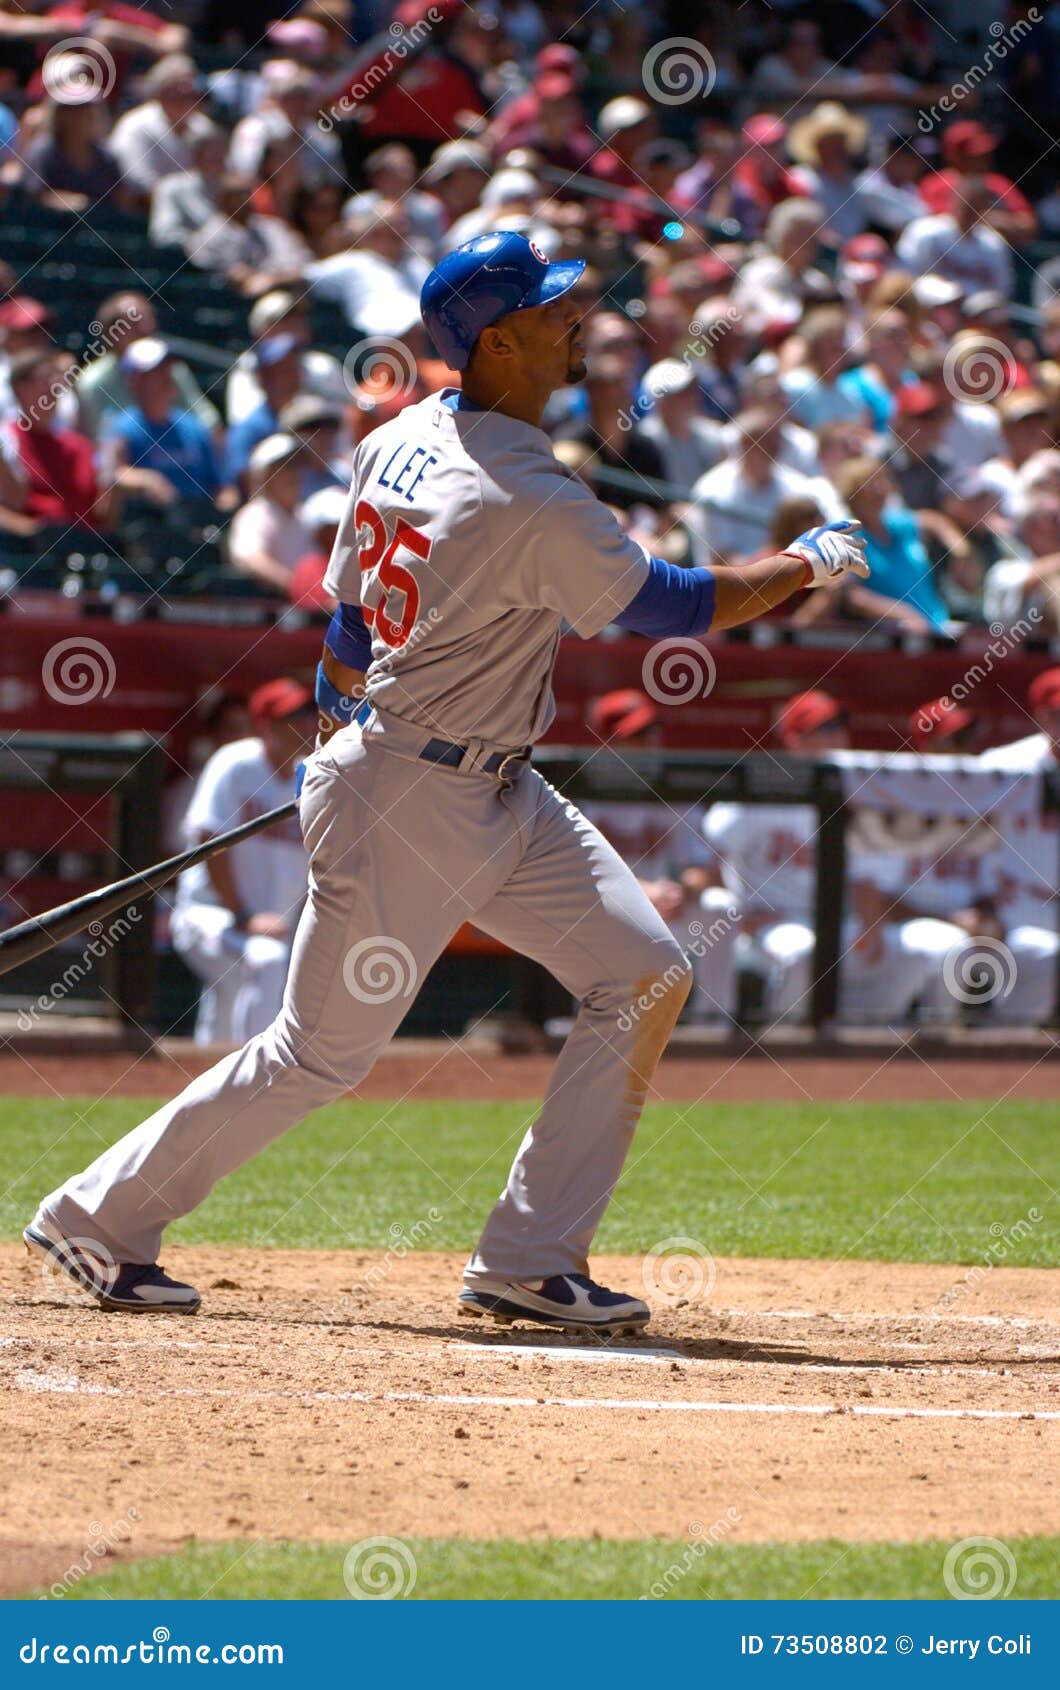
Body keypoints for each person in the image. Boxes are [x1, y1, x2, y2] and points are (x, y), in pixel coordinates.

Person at [27, 231, 870, 1325]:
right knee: (317, 1054)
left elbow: (345, 615)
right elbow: (674, 606)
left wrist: (339, 697)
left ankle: (528, 1256)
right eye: (555, 312)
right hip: (413, 794)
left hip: (484, 783)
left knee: (646, 973)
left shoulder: (402, 436)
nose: (581, 324)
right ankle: (98, 1216)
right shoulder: (518, 488)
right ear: (499, 339)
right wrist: (806, 560)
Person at [705, 690, 968, 1024]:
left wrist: (870, 926)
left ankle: (872, 1043)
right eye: (823, 729)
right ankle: (784, 1043)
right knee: (803, 952)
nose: (836, 737)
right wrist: (737, 918)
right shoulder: (761, 789)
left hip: (837, 923)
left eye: (838, 727)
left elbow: (864, 877)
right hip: (778, 921)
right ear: (794, 739)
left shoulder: (858, 789)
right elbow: (710, 860)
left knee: (929, 951)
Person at [169, 679, 315, 1049]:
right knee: (264, 961)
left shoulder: (314, 776)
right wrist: (244, 915)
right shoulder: (236, 763)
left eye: (309, 715)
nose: (306, 725)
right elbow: (211, 843)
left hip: (270, 923)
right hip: (211, 914)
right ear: (266, 726)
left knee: (233, 993)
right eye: (292, 718)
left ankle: (205, 1078)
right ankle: (256, 1080)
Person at [979, 668, 1060, 1024]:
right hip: (1022, 902)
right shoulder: (1003, 765)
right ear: (1040, 716)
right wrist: (983, 905)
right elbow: (967, 842)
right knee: (1045, 954)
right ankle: (1003, 1055)